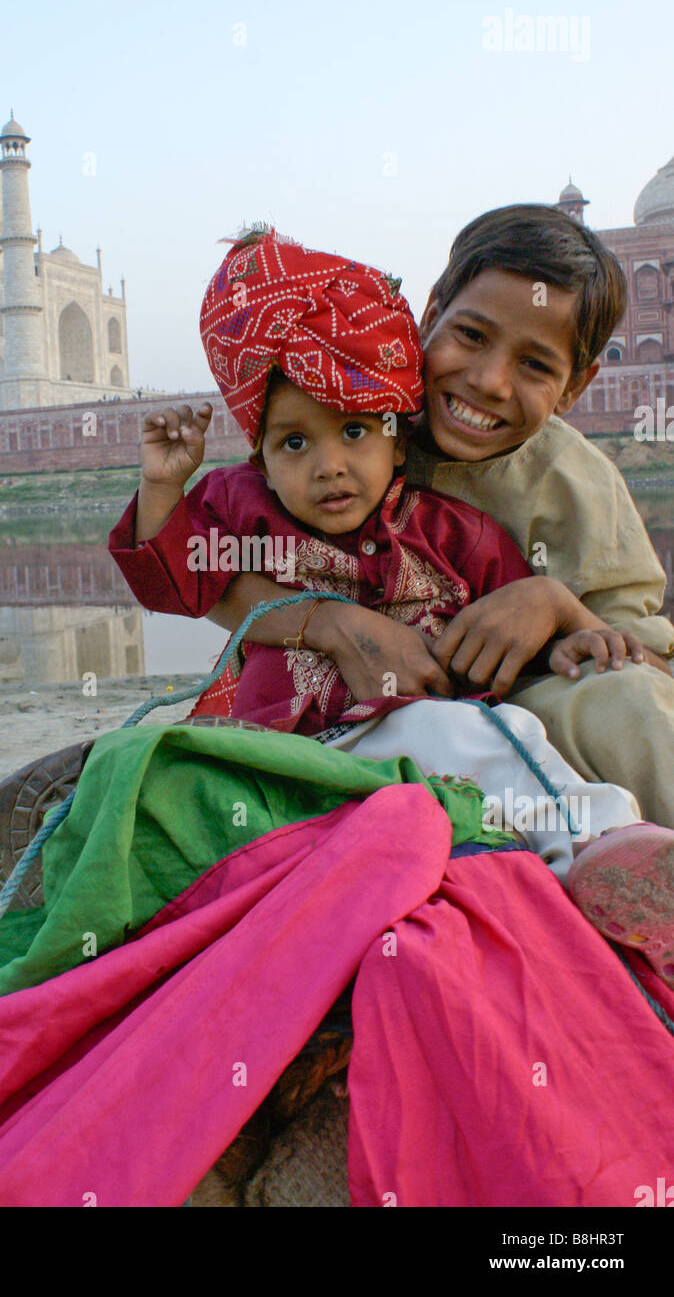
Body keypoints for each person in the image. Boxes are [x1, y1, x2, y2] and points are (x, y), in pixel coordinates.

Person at [108, 228, 673, 961]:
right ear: (431, 315)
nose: (490, 382)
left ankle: (612, 854)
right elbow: (184, 579)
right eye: (471, 335)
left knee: (548, 721)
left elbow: (632, 654)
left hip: (482, 709)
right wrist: (165, 487)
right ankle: (592, 854)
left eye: (534, 364)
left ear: (577, 385)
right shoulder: (322, 430)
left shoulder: (524, 500)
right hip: (307, 726)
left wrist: (556, 607)